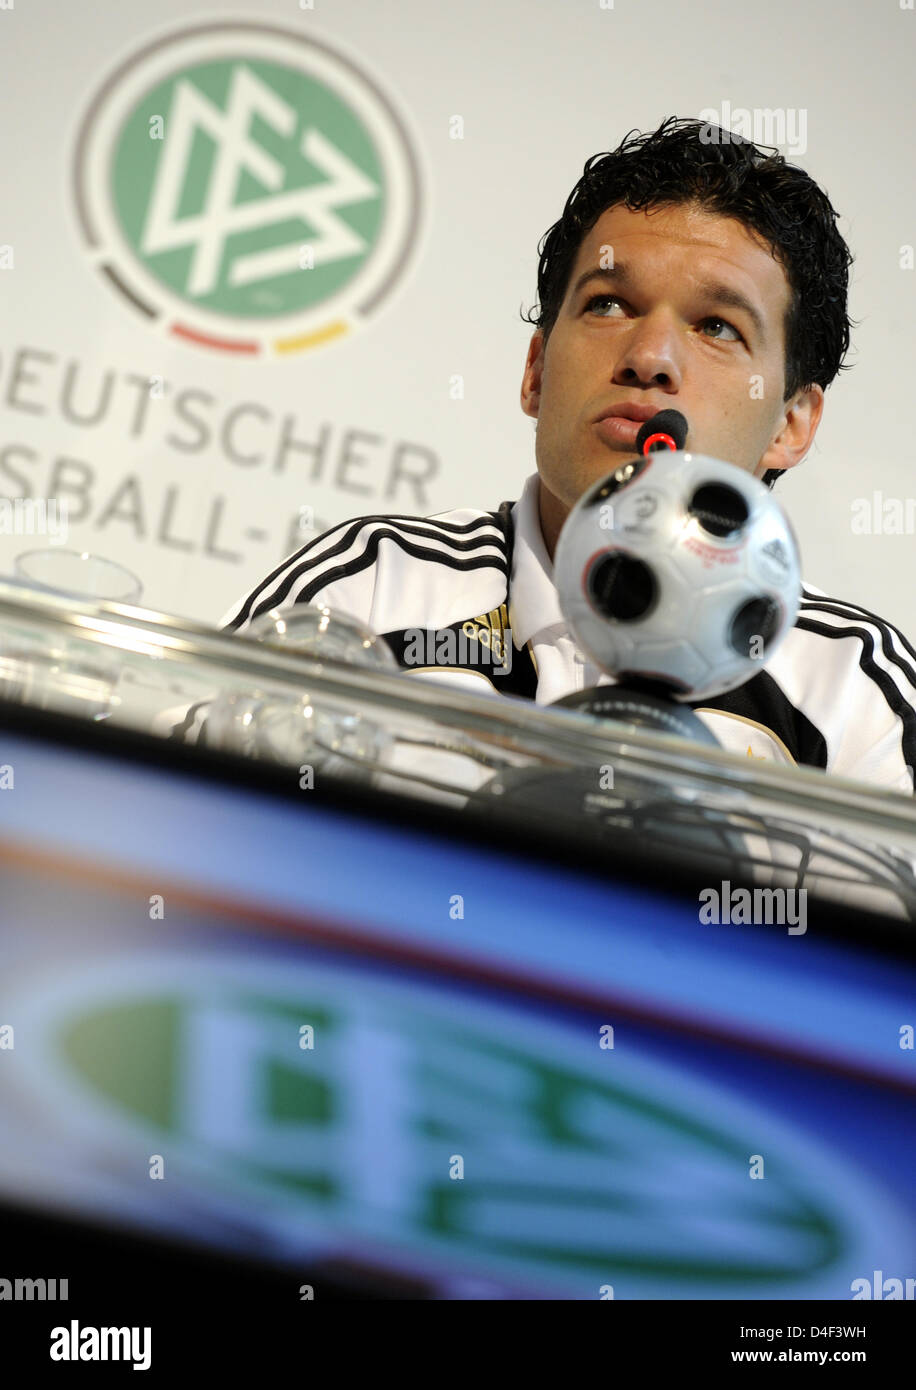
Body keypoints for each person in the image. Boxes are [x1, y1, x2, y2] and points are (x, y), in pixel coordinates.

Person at [178, 116, 916, 793]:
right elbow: (176, 816)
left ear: (792, 422)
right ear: (536, 371)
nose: (650, 357)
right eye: (608, 304)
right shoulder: (374, 590)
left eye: (718, 327)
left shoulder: (854, 688)